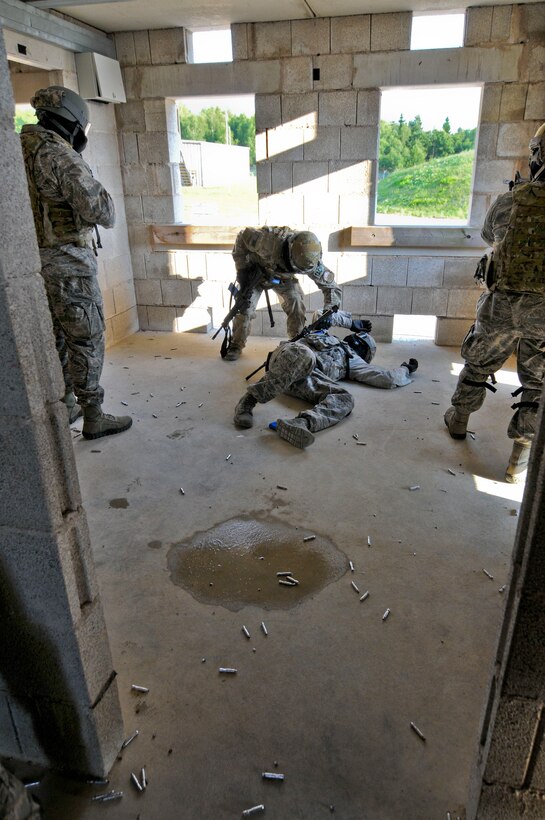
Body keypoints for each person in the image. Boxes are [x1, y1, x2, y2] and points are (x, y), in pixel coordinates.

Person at [20, 86, 132, 440]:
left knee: (55, 338)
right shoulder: (58, 154)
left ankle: (66, 403)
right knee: (86, 339)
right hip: (69, 265)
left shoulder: (16, 149)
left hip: (31, 267)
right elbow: (103, 210)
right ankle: (94, 415)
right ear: (72, 122)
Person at [444, 123, 545, 484]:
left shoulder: (512, 200)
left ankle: (459, 420)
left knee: (478, 362)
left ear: (538, 155)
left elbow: (489, 234)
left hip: (501, 304)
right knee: (538, 382)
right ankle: (519, 456)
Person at [233, 310, 418, 448]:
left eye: (362, 343)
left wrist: (405, 369)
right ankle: (248, 402)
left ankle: (302, 423)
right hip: (287, 359)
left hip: (307, 378)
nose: (356, 341)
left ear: (365, 352)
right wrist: (351, 322)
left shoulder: (356, 363)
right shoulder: (322, 331)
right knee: (304, 355)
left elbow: (387, 378)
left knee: (345, 398)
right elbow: (325, 313)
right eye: (357, 336)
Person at [223, 226, 342, 360]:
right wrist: (242, 270)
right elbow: (242, 236)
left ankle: (296, 344)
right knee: (245, 307)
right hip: (255, 273)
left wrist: (328, 313)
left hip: (282, 278)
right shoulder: (267, 241)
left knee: (296, 303)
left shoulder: (310, 260)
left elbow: (331, 287)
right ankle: (236, 344)